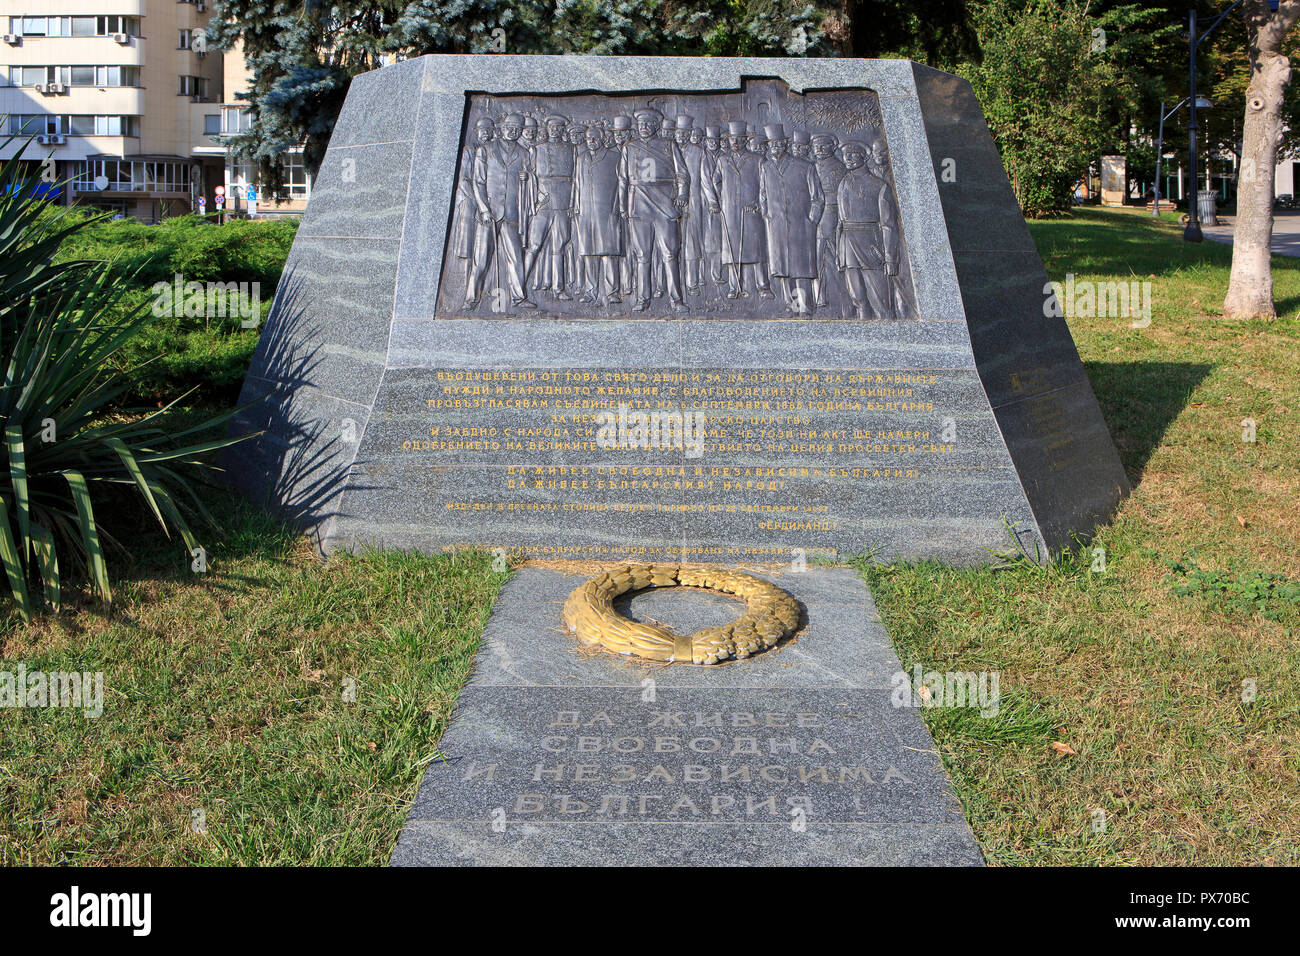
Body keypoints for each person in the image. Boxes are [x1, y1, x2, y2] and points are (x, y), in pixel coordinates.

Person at [617, 107, 690, 312]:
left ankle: (676, 299)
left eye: (649, 124)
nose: (645, 128)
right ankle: (643, 299)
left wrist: (682, 194)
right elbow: (623, 179)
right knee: (643, 256)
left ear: (657, 126)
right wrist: (624, 206)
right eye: (641, 124)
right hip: (639, 205)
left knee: (670, 254)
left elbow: (682, 174)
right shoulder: (629, 148)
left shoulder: (669, 145)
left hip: (665, 204)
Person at [467, 113, 535, 310]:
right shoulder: (485, 150)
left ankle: (519, 297)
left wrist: (526, 179)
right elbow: (478, 182)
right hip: (489, 213)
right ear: (501, 128)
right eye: (509, 127)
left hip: (512, 213)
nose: (513, 131)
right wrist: (483, 209)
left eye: (517, 128)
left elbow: (530, 184)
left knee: (516, 258)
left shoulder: (524, 153)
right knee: (480, 259)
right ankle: (471, 299)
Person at [758, 124, 823, 314]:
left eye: (778, 144)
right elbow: (762, 195)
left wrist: (811, 221)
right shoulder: (766, 167)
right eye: (772, 145)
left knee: (800, 268)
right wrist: (767, 215)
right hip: (776, 224)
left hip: (801, 225)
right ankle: (790, 304)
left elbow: (817, 197)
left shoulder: (804, 166)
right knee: (783, 269)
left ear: (785, 145)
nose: (775, 148)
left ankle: (805, 307)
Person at [835, 140, 899, 319]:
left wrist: (890, 259)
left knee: (881, 302)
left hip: (872, 247)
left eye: (853, 154)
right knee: (858, 300)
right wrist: (840, 254)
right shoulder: (843, 183)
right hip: (848, 249)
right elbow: (840, 222)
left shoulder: (879, 186)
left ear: (864, 157)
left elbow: (889, 225)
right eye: (846, 155)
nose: (848, 158)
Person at [711, 120, 772, 299]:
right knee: (731, 249)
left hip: (751, 209)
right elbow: (716, 181)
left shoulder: (757, 159)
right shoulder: (722, 160)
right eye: (732, 139)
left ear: (746, 140)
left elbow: (765, 185)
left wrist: (757, 203)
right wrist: (721, 199)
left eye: (739, 139)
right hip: (730, 210)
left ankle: (763, 287)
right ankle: (734, 287)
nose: (735, 142)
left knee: (756, 248)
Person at [525, 115, 577, 300]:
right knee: (534, 245)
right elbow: (528, 176)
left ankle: (558, 288)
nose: (556, 130)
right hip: (543, 204)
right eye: (552, 127)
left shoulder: (571, 149)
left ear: (563, 130)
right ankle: (520, 285)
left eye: (559, 127)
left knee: (559, 246)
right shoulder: (537, 150)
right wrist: (536, 196)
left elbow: (576, 179)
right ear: (547, 129)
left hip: (563, 204)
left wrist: (572, 203)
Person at [573, 125, 623, 304]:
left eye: (594, 138)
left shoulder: (614, 157)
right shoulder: (581, 158)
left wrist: (618, 207)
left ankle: (612, 292)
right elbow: (577, 184)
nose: (591, 142)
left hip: (607, 211)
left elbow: (621, 185)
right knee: (589, 253)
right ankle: (591, 291)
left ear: (602, 139)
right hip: (587, 211)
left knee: (608, 253)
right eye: (588, 139)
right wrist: (576, 206)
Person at [453, 117, 492, 295]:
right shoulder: (470, 150)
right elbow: (465, 179)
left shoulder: (488, 151)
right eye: (483, 131)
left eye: (488, 131)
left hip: (485, 204)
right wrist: (479, 201)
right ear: (476, 132)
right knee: (469, 246)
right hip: (470, 203)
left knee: (483, 249)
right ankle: (465, 286)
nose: (486, 134)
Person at [810, 132, 847, 308]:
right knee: (815, 261)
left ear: (832, 147)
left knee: (837, 258)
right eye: (816, 146)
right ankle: (819, 296)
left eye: (823, 145)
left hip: (833, 217)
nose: (819, 149)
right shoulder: (811, 167)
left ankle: (846, 296)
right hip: (813, 219)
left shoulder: (839, 168)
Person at [674, 114, 709, 296]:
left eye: (685, 133)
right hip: (670, 204)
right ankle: (669, 285)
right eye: (678, 133)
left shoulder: (698, 151)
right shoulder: (668, 150)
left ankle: (692, 283)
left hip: (694, 204)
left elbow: (705, 179)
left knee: (692, 245)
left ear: (689, 133)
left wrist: (712, 201)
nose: (681, 136)